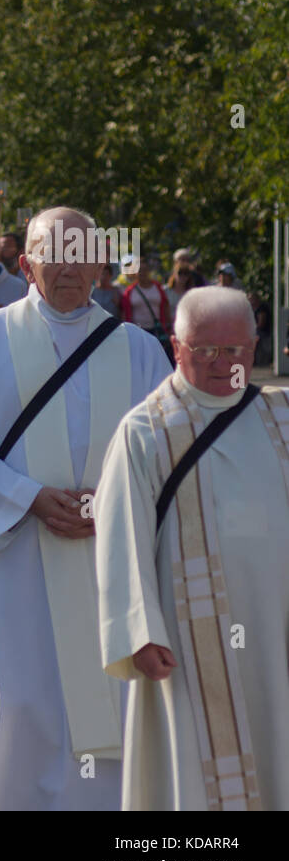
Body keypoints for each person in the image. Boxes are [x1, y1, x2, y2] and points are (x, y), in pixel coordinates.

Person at [0, 206, 172, 811]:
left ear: (102, 266)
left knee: (110, 692)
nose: (70, 268)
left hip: (108, 554)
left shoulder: (139, 351)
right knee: (19, 698)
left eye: (82, 255)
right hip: (17, 554)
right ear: (26, 263)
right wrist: (28, 498)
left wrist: (112, 504)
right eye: (56, 254)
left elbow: (163, 453)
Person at [93, 287, 288, 810]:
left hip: (277, 627)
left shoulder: (283, 415)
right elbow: (120, 538)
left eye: (235, 351)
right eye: (205, 351)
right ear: (176, 347)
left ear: (255, 345)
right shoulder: (145, 430)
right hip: (185, 637)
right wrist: (137, 631)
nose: (222, 364)